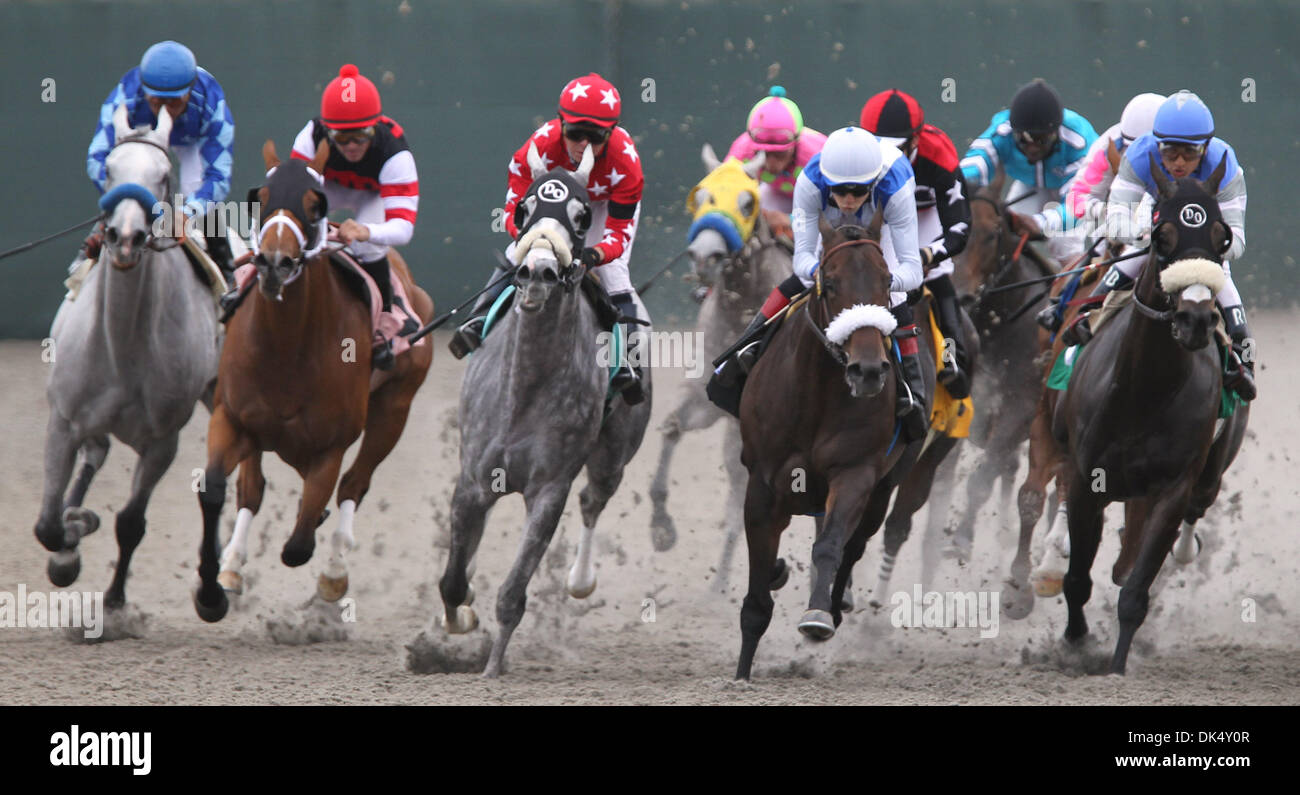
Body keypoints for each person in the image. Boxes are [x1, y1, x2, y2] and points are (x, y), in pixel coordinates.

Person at [449, 73, 648, 404]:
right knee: (517, 253)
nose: (584, 144)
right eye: (575, 133)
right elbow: (514, 211)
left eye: (596, 136)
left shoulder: (626, 164)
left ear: (612, 132)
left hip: (602, 205)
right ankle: (476, 320)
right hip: (555, 206)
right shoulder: (539, 147)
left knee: (613, 273)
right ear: (561, 124)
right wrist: (529, 239)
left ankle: (629, 362)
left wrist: (593, 255)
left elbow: (617, 235)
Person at [717, 126, 927, 429]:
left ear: (872, 182)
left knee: (896, 295)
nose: (848, 200)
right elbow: (802, 259)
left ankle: (913, 391)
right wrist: (820, 274)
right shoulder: (811, 182)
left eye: (857, 191)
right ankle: (743, 351)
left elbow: (913, 270)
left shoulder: (896, 187)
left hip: (882, 218)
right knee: (802, 281)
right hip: (830, 219)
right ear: (827, 182)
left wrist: (878, 282)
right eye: (840, 190)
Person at [1090, 90, 1254, 400]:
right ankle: (1081, 329)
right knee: (1118, 272)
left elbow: (1237, 242)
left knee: (1233, 305)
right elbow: (1117, 220)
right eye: (1170, 152)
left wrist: (1206, 245)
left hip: (1204, 244)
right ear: (1157, 145)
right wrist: (1149, 236)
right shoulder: (1140, 156)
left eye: (1190, 153)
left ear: (1205, 149)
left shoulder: (1226, 165)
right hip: (1160, 221)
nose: (1179, 162)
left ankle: (1244, 364)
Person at [283, 64, 421, 370]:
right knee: (295, 228)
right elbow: (295, 195)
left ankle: (385, 320)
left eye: (361, 135)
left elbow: (403, 229)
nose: (352, 146)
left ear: (376, 127)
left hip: (372, 195)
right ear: (327, 130)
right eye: (341, 137)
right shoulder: (311, 136)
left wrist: (365, 231)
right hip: (327, 188)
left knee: (367, 247)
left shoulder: (395, 152)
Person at [861, 88, 973, 397]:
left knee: (938, 276)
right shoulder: (855, 153)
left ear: (915, 140)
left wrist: (927, 255)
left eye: (896, 149)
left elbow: (960, 227)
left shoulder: (938, 153)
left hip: (925, 216)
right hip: (882, 219)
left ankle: (953, 358)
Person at [85, 40, 235, 270]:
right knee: (127, 175)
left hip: (192, 142)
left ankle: (225, 264)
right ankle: (88, 252)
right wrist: (122, 196)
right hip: (143, 139)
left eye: (174, 102)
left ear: (190, 91)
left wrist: (186, 213)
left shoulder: (211, 103)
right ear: (144, 92)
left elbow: (218, 177)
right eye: (156, 102)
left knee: (194, 185)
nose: (165, 109)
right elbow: (97, 159)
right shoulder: (125, 97)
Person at [1037, 92, 1165, 333]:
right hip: (1118, 224)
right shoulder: (1108, 146)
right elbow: (1076, 198)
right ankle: (1060, 308)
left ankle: (1233, 333)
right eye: (1130, 150)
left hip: (1168, 227)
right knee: (1088, 260)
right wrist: (1105, 212)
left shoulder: (1186, 153)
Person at [959, 78, 1098, 261]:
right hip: (1030, 185)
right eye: (1023, 139)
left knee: (1062, 245)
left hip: (1076, 190)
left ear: (1056, 133)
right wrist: (956, 184)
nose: (1032, 148)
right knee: (1007, 233)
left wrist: (1040, 223)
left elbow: (1077, 207)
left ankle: (1070, 275)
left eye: (1041, 140)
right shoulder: (1002, 132)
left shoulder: (1079, 142)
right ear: (1014, 131)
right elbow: (975, 163)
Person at [725, 86, 827, 234]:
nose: (771, 164)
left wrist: (792, 220)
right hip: (776, 193)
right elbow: (725, 192)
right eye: (762, 153)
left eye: (780, 154)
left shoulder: (816, 157)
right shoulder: (743, 150)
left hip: (818, 201)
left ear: (796, 142)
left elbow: (837, 207)